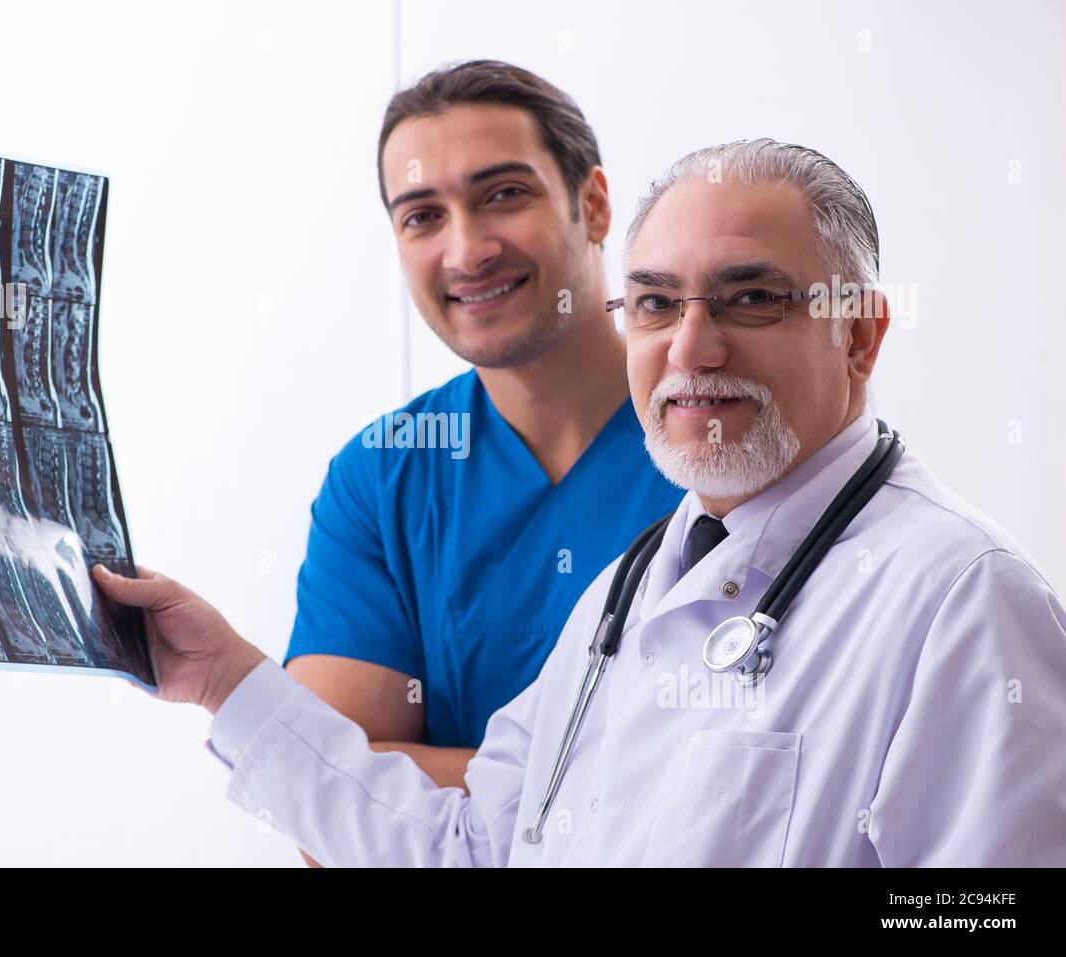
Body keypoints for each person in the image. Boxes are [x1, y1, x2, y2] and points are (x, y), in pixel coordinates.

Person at [95, 138, 1066, 866]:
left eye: (750, 299)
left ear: (857, 337)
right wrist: (221, 678)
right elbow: (480, 842)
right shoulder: (626, 591)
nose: (691, 349)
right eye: (653, 303)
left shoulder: (957, 598)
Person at [279, 58, 679, 820]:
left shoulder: (717, 438)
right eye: (423, 215)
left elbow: (772, 774)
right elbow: (328, 803)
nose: (467, 251)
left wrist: (437, 783)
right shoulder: (384, 479)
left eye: (503, 194)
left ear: (593, 205)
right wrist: (618, 793)